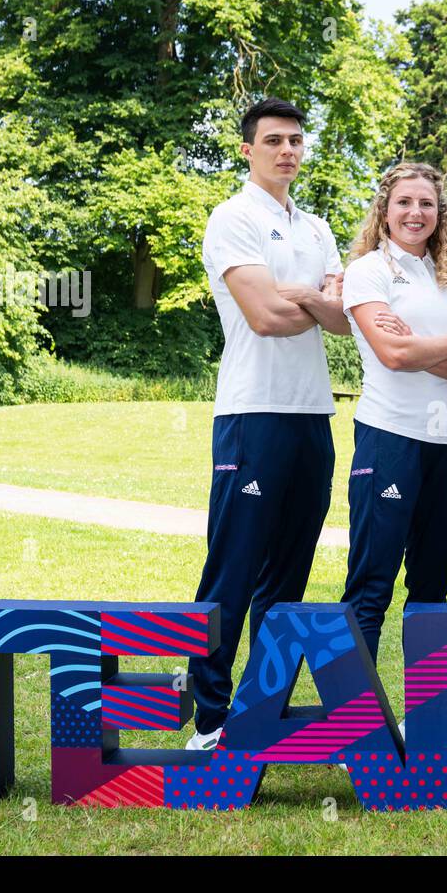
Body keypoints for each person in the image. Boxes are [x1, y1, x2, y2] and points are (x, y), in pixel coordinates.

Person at [186, 97, 350, 750]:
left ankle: (257, 711)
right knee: (233, 567)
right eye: (274, 140)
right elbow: (264, 316)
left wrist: (307, 299)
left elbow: (345, 319)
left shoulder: (316, 228)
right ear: (248, 149)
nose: (288, 150)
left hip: (313, 414)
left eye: (296, 140)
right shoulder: (232, 219)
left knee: (287, 575)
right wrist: (317, 298)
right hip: (253, 412)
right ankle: (207, 717)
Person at [341, 162, 447, 753]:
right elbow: (391, 355)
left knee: (432, 585)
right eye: (404, 202)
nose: (415, 213)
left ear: (440, 213)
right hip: (390, 439)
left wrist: (431, 344)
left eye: (426, 204)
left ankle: (427, 720)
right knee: (372, 584)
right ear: (386, 209)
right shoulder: (367, 272)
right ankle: (356, 723)